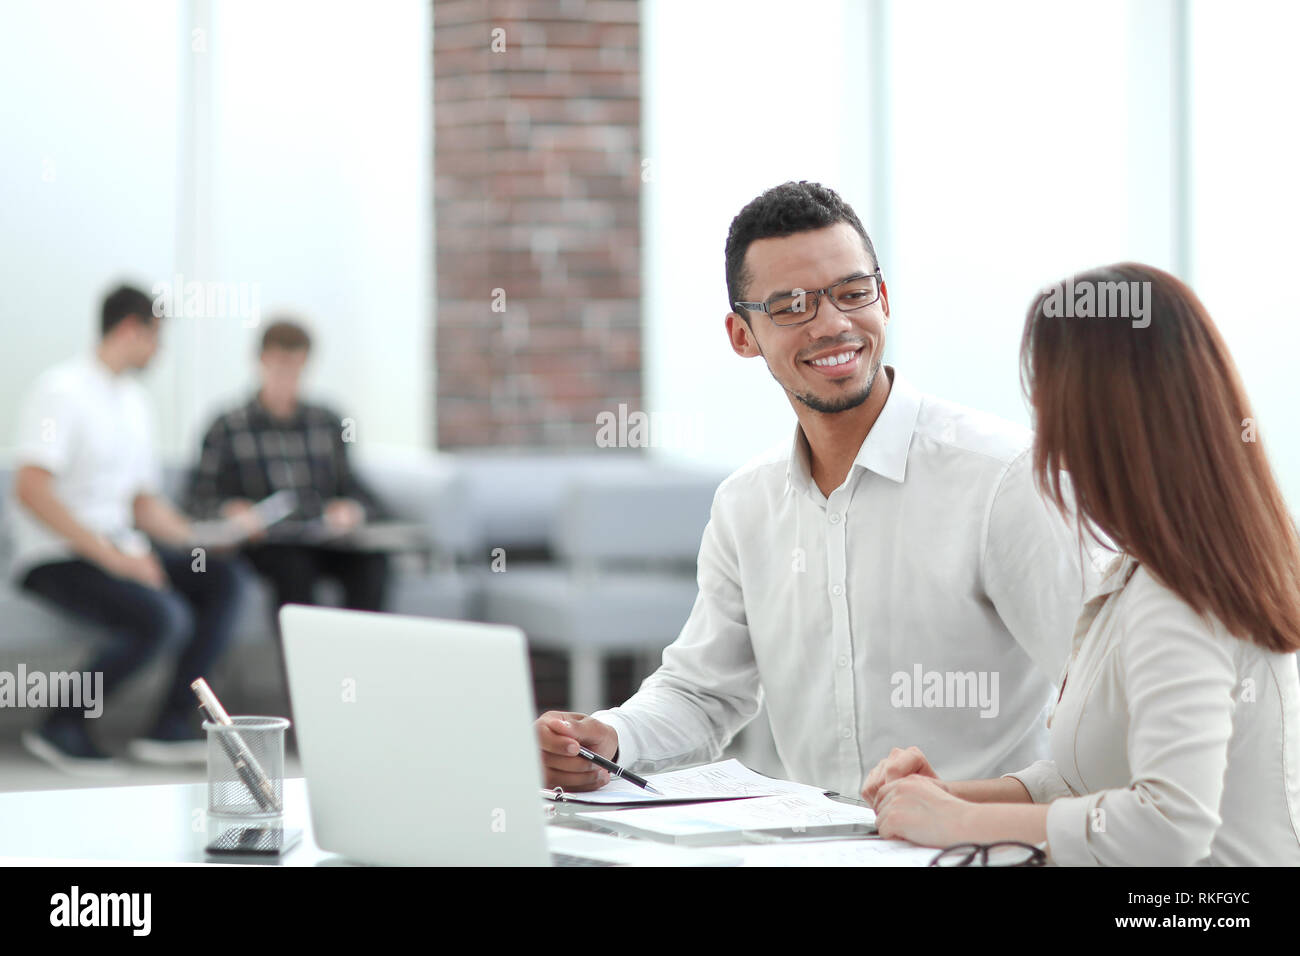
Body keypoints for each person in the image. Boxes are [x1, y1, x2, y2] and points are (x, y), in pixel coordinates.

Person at [535, 181, 1106, 796]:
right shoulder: (745, 505)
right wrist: (610, 738)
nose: (832, 324)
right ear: (742, 336)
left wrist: (985, 805)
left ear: (883, 298)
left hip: (988, 849)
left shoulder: (1006, 479)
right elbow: (703, 693)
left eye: (852, 293)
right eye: (790, 306)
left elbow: (1108, 708)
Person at [863, 263, 1300, 866]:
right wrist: (946, 798)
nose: (1044, 437)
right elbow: (1091, 781)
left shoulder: (1180, 597)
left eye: (1049, 403)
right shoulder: (1144, 573)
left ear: (1100, 421)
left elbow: (1168, 826)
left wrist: (962, 822)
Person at [11, 284, 245, 774]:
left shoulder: (134, 401)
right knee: (164, 616)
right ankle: (61, 724)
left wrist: (204, 536)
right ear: (129, 329)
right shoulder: (62, 391)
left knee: (224, 581)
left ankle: (172, 724)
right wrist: (117, 560)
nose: (159, 351)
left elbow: (141, 504)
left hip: (122, 548)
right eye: (156, 339)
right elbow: (30, 489)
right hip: (58, 556)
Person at [185, 318, 390, 620]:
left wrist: (351, 510)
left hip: (323, 539)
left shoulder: (328, 422)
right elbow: (196, 500)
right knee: (293, 566)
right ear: (261, 361)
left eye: (296, 368)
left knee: (372, 563)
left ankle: (358, 664)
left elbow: (356, 489)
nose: (288, 377)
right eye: (280, 366)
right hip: (267, 545)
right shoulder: (226, 426)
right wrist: (231, 511)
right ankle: (301, 665)